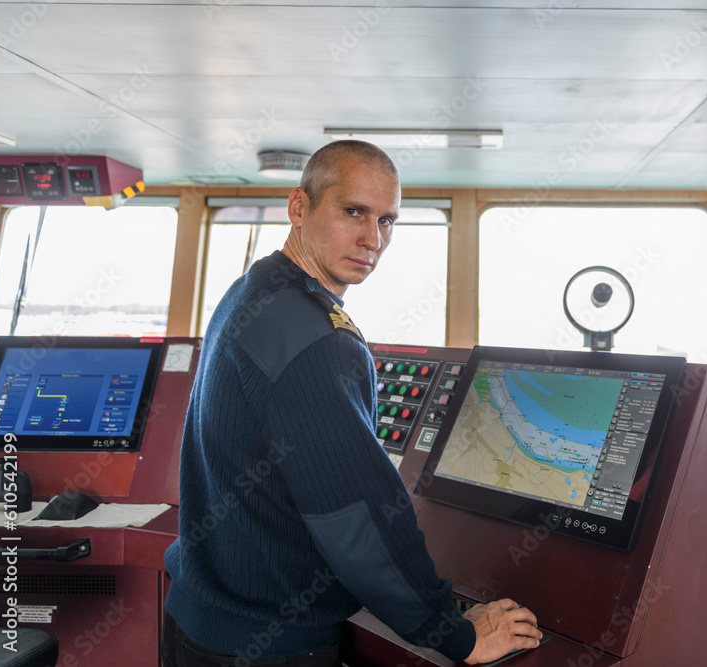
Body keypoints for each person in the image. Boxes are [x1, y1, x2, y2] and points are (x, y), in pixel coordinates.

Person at [161, 140, 542, 666]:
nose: (372, 239)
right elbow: (356, 516)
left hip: (199, 619)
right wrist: (453, 631)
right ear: (300, 207)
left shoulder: (252, 291)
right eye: (353, 212)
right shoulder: (320, 342)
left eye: (388, 221)